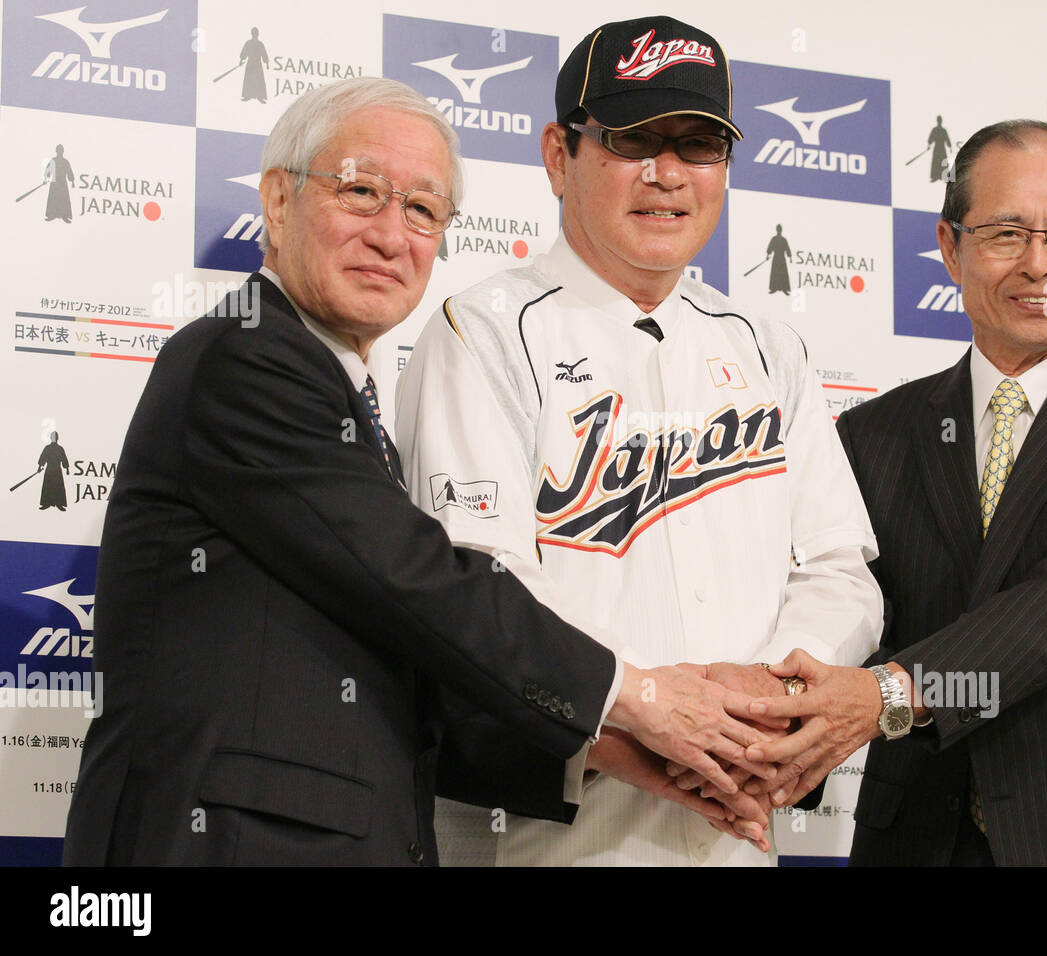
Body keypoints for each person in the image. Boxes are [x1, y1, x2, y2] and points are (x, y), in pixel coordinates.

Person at [61, 77, 772, 867]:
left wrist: (621, 758)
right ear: (279, 201)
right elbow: (423, 584)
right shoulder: (244, 356)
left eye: (424, 211)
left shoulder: (346, 403)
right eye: (361, 192)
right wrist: (639, 696)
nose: (391, 236)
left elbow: (413, 660)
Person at [395, 16, 882, 866]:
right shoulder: (484, 332)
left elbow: (840, 573)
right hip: (555, 838)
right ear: (559, 155)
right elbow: (477, 595)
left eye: (699, 144)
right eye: (631, 139)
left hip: (740, 830)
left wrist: (755, 703)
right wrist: (653, 712)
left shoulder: (767, 346)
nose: (667, 173)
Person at [743, 120, 1047, 866]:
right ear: (950, 247)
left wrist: (889, 696)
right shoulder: (872, 434)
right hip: (917, 839)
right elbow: (840, 602)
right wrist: (770, 733)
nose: (1040, 264)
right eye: (1006, 234)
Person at [37, 430, 69, 511]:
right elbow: (43, 458)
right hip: (49, 470)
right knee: (48, 486)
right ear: (51, 438)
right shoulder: (48, 448)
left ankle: (59, 504)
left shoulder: (60, 449)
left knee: (58, 487)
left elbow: (64, 459)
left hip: (57, 470)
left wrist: (67, 468)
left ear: (57, 438)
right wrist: (40, 467)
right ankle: (46, 503)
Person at [239, 27, 269, 103]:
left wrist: (267, 63)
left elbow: (264, 54)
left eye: (256, 33)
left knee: (258, 81)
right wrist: (241, 60)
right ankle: (247, 95)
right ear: (253, 34)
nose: (255, 34)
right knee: (249, 80)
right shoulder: (248, 43)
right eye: (254, 33)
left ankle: (260, 97)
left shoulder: (260, 44)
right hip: (251, 64)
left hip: (257, 65)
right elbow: (244, 52)